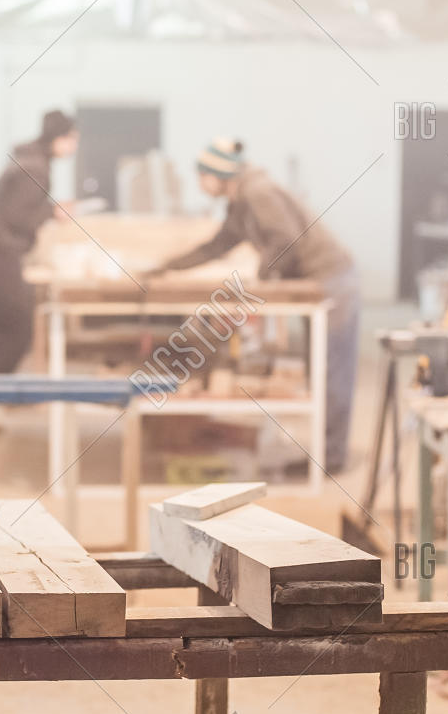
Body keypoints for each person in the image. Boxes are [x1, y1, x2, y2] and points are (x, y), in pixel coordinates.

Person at [152, 139, 359, 474]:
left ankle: (330, 460)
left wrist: (262, 279)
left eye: (202, 175)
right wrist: (169, 266)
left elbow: (285, 239)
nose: (200, 183)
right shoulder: (239, 203)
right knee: (320, 367)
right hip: (312, 281)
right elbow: (217, 245)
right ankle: (326, 453)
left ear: (220, 173)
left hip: (330, 278)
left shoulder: (257, 192)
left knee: (331, 368)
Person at [0, 109, 80, 434]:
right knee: (16, 333)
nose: (74, 147)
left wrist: (47, 210)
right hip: (0, 261)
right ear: (60, 138)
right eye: (72, 140)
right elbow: (18, 218)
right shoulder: (37, 169)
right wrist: (53, 213)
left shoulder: (25, 162)